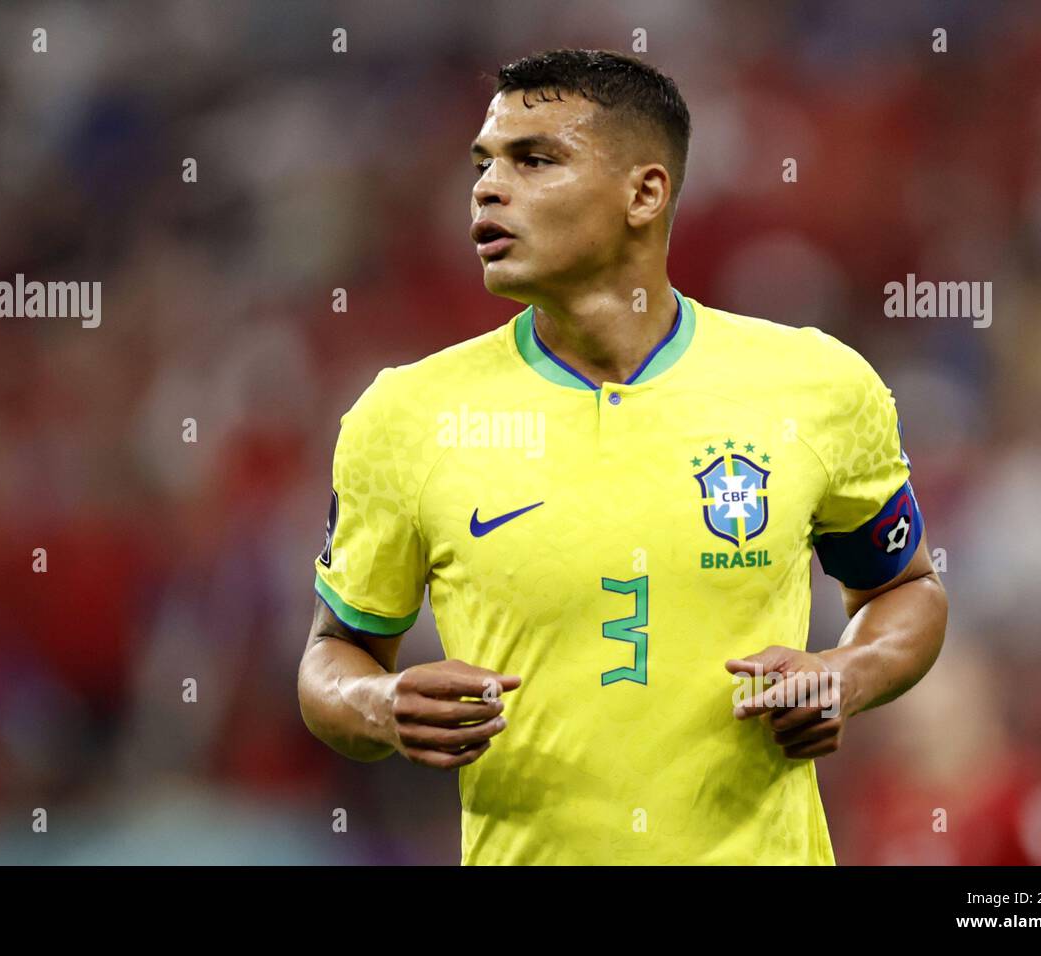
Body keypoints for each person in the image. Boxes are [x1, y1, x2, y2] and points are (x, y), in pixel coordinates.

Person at [297, 48, 947, 865]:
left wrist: (845, 674)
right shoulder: (405, 416)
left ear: (645, 193)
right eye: (484, 162)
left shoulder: (814, 385)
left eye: (535, 159)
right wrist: (380, 702)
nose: (488, 187)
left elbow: (907, 587)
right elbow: (332, 654)